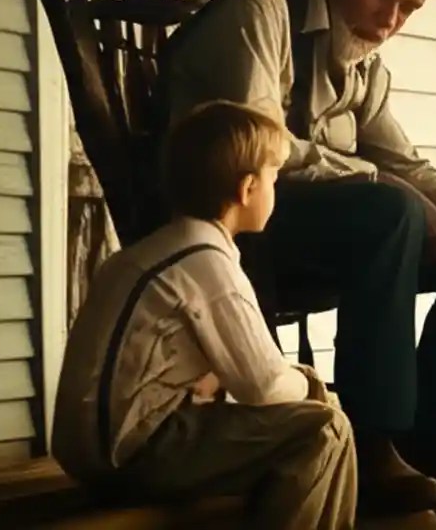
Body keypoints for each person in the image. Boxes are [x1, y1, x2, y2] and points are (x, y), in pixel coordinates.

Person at [161, 0, 436, 513]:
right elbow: (258, 142)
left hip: (312, 227)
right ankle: (372, 446)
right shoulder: (263, 8)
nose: (391, 18)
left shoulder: (364, 67)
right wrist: (378, 179)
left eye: (409, 7)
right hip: (231, 223)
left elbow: (406, 164)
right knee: (389, 210)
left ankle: (429, 441)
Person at [52, 100, 357, 530]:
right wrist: (311, 384)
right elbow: (264, 385)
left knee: (299, 419)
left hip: (89, 450)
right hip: (134, 454)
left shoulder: (150, 253)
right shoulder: (207, 263)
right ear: (247, 188)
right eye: (274, 178)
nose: (276, 190)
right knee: (324, 428)